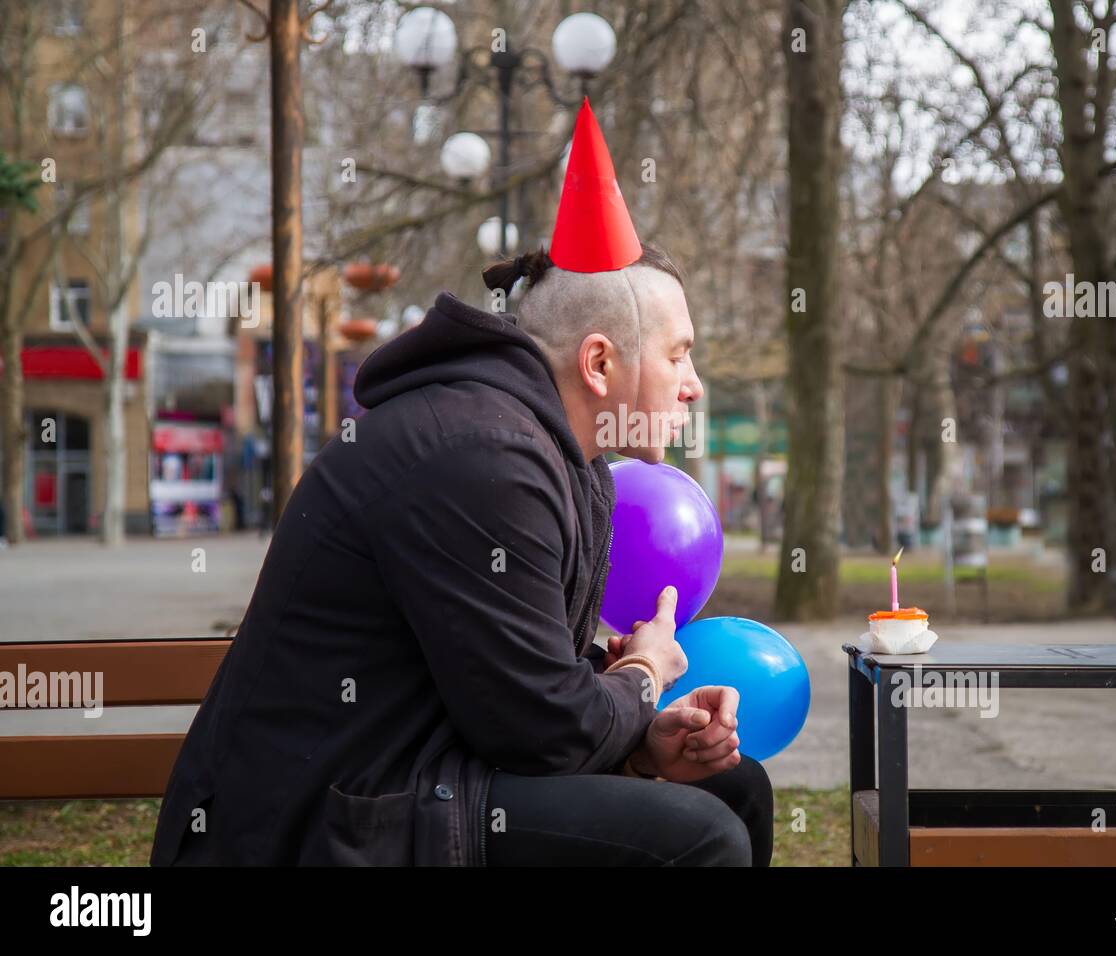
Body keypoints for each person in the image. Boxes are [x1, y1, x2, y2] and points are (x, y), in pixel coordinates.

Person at [150, 98, 771, 867]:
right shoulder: (483, 457)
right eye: (679, 355)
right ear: (600, 362)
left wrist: (644, 749)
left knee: (734, 788)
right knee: (700, 837)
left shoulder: (559, 458)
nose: (695, 386)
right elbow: (542, 728)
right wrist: (643, 679)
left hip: (430, 782)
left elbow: (528, 692)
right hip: (323, 825)